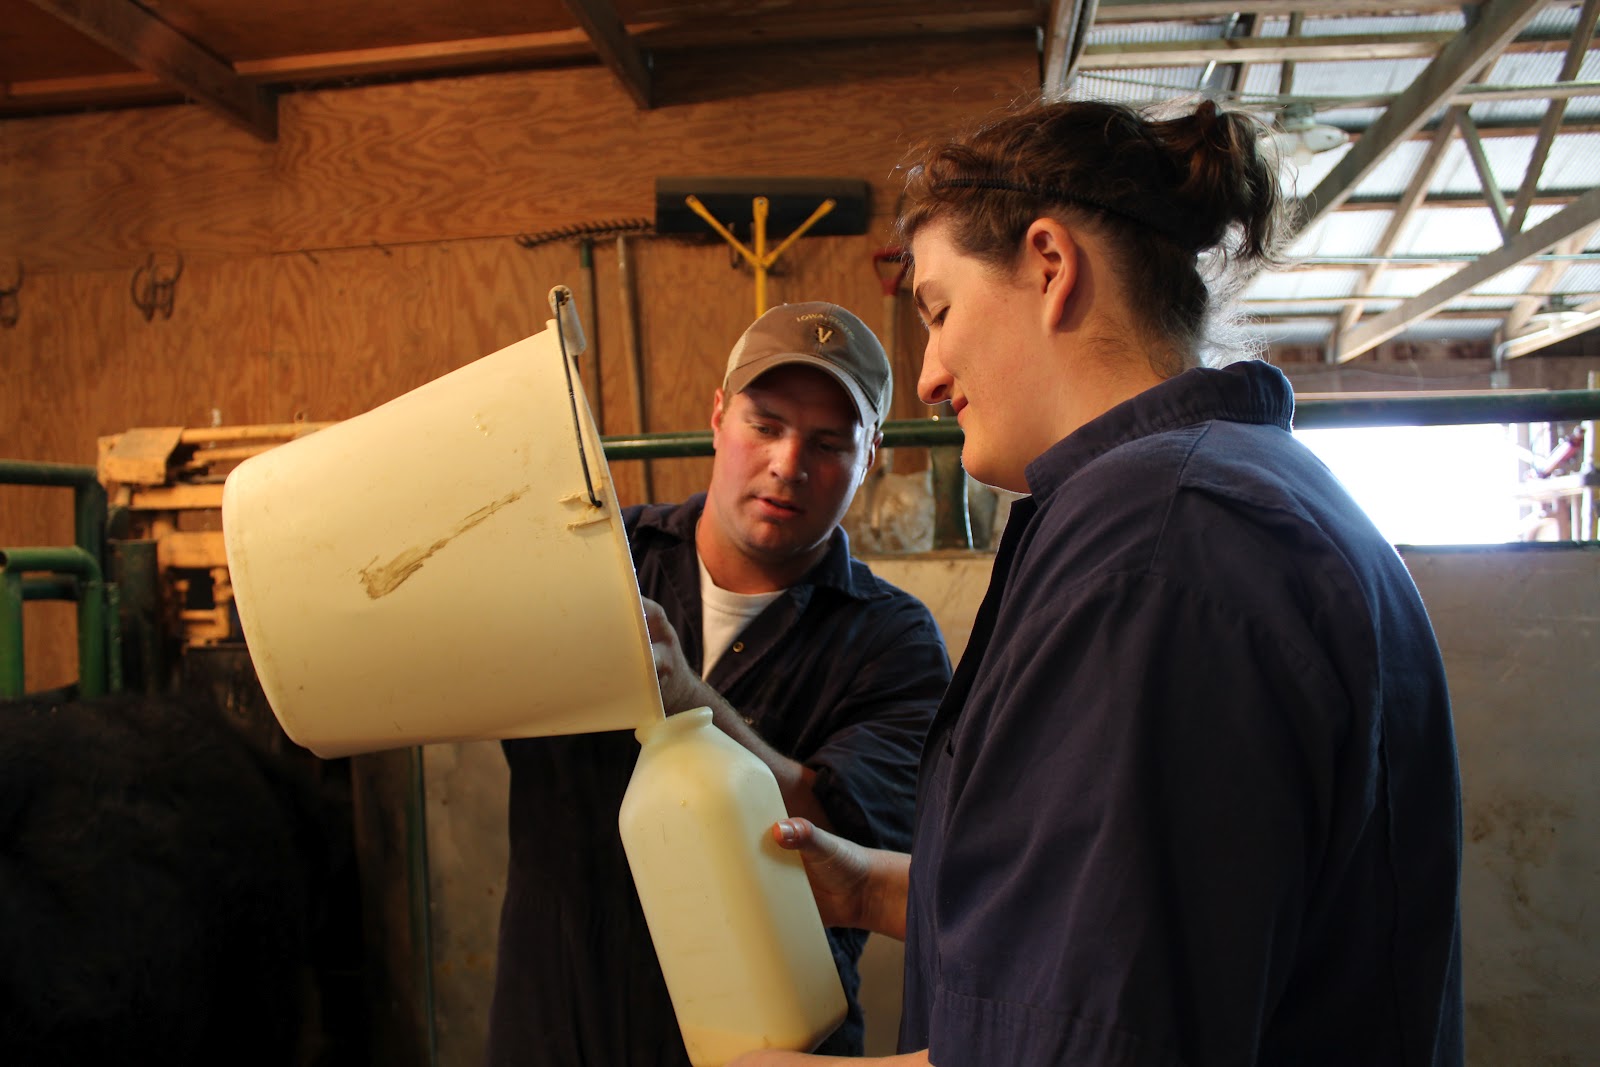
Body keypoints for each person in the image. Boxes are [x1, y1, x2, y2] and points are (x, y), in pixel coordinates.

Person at [735, 98, 1464, 1066]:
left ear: (1049, 263)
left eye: (940, 310)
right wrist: (871, 885)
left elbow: (1092, 1039)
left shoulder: (1154, 553)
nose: (930, 376)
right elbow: (1144, 914)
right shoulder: (1218, 490)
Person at [485, 301, 953, 1065]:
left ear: (871, 458)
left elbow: (842, 846)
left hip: (767, 1047)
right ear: (716, 417)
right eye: (765, 424)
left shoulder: (893, 642)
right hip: (558, 1027)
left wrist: (689, 702)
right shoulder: (597, 561)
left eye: (830, 442)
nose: (788, 463)